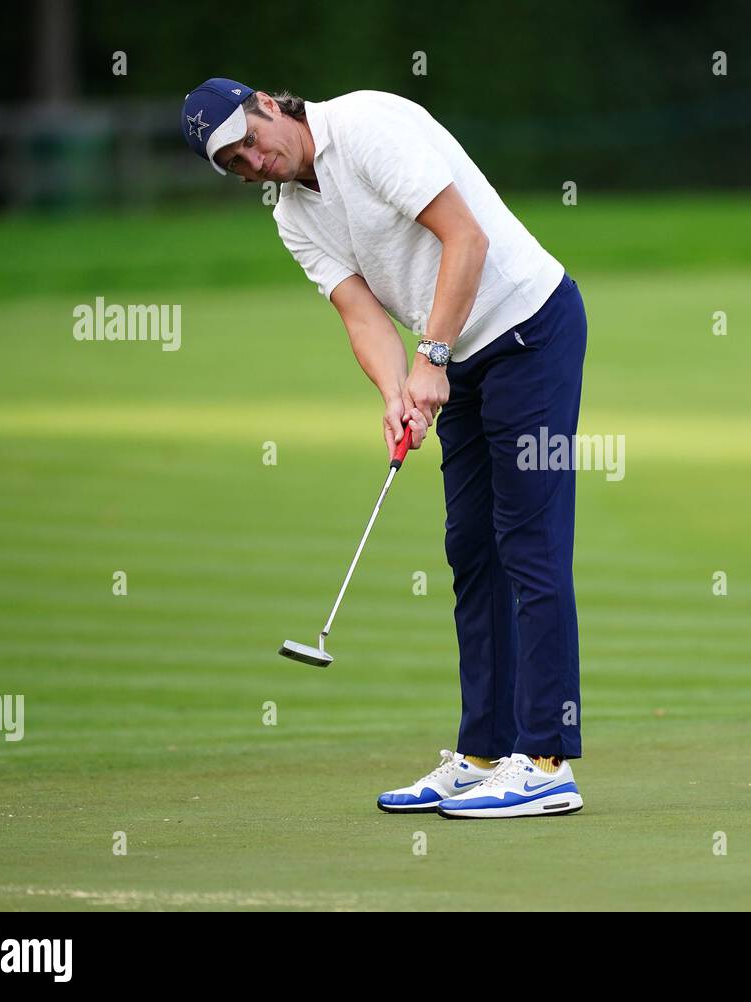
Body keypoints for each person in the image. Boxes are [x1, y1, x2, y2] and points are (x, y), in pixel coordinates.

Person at [180, 79, 586, 819]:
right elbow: (360, 312)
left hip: (530, 330)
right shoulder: (293, 215)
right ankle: (485, 752)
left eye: (249, 137)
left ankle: (549, 761)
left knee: (529, 543)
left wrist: (429, 356)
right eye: (234, 161)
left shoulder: (365, 126)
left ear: (270, 104)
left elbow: (465, 236)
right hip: (459, 354)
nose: (253, 160)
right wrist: (396, 391)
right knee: (471, 549)